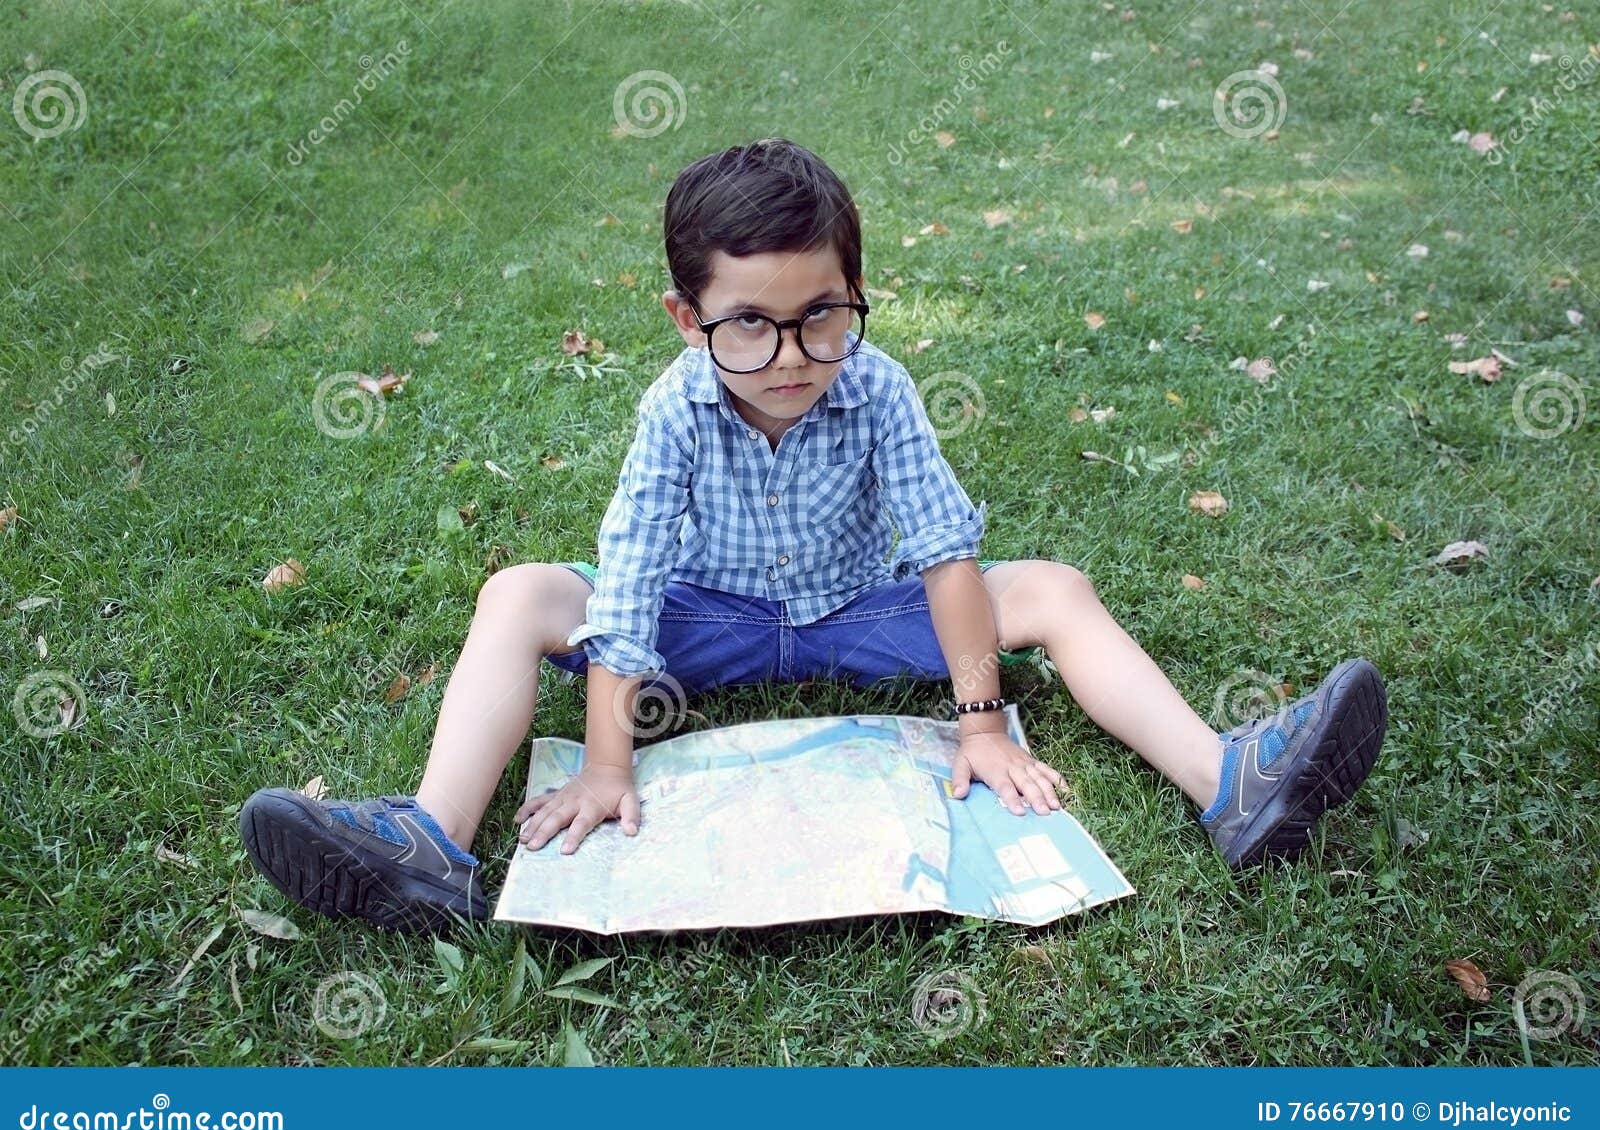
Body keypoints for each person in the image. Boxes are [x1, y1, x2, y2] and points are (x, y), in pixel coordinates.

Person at [240, 137, 1389, 933]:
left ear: (855, 292)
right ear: (687, 319)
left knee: (1047, 585)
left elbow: (944, 552)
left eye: (822, 316)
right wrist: (605, 760)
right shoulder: (673, 405)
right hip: (711, 624)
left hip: (855, 609)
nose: (791, 354)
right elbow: (631, 581)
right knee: (521, 592)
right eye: (749, 323)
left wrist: (980, 722)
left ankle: (1230, 783)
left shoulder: (877, 386)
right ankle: (429, 840)